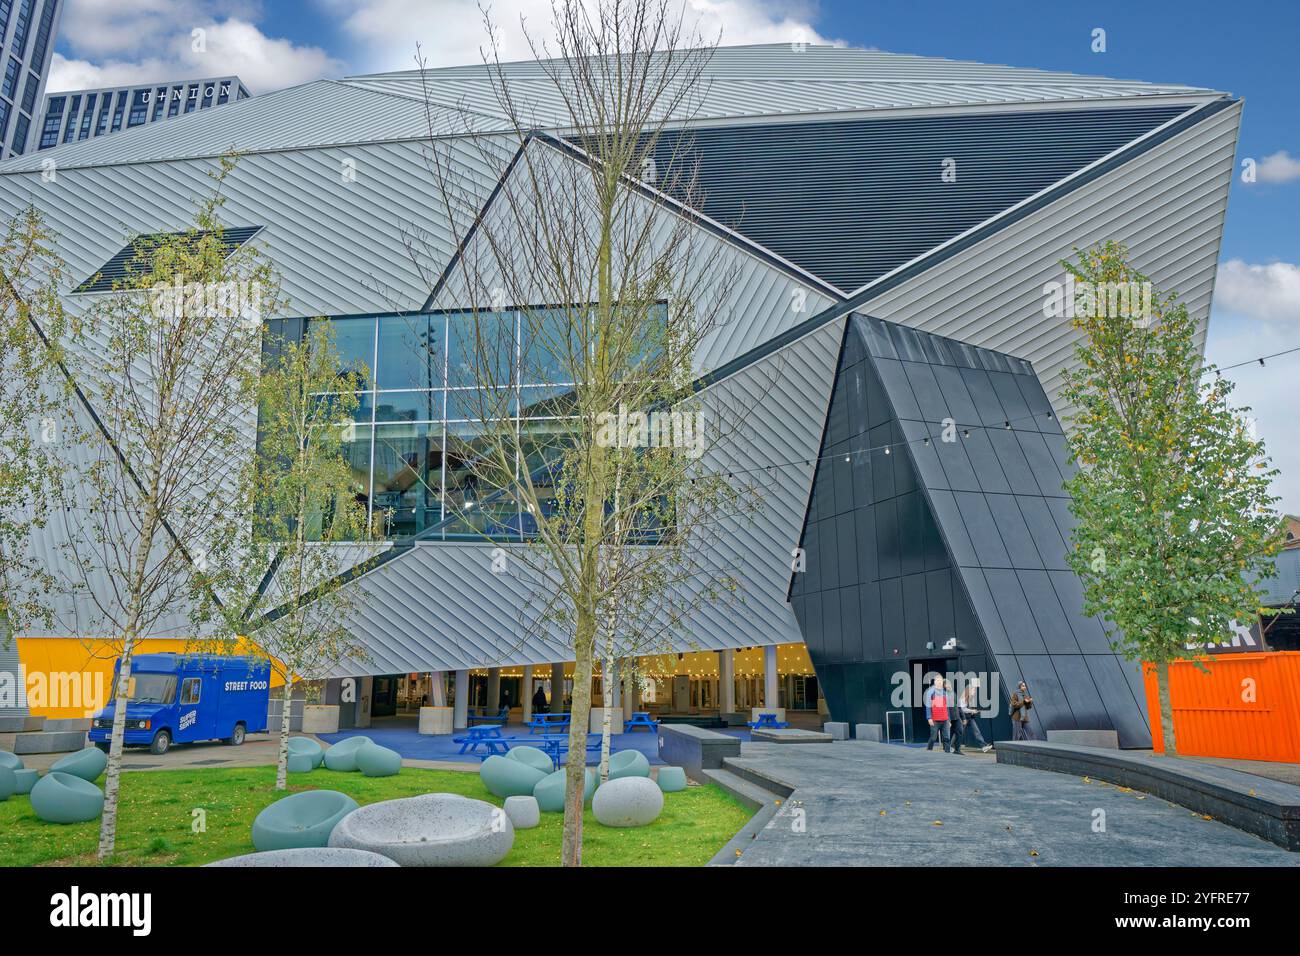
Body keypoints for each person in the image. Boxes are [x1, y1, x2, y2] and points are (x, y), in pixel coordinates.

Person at [956, 681, 993, 752]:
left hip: (969, 718)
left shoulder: (969, 698)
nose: (974, 691)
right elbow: (963, 709)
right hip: (963, 718)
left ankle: (984, 746)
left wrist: (973, 711)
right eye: (973, 690)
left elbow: (967, 709)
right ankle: (951, 746)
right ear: (968, 690)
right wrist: (971, 711)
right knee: (959, 732)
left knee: (977, 731)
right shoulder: (962, 699)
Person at [923, 675, 952, 753]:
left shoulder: (944, 692)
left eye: (941, 680)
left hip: (945, 719)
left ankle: (947, 753)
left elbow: (947, 707)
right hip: (935, 719)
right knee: (933, 737)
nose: (939, 682)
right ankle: (929, 751)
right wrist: (929, 718)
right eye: (938, 680)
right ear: (935, 682)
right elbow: (928, 706)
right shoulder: (930, 692)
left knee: (947, 738)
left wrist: (949, 719)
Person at [944, 679, 963, 754]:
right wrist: (948, 720)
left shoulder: (954, 694)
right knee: (947, 734)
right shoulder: (944, 695)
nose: (948, 686)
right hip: (948, 717)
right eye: (946, 685)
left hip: (956, 717)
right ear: (944, 686)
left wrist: (963, 717)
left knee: (960, 731)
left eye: (949, 684)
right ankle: (947, 749)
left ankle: (957, 750)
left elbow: (959, 706)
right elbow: (945, 708)